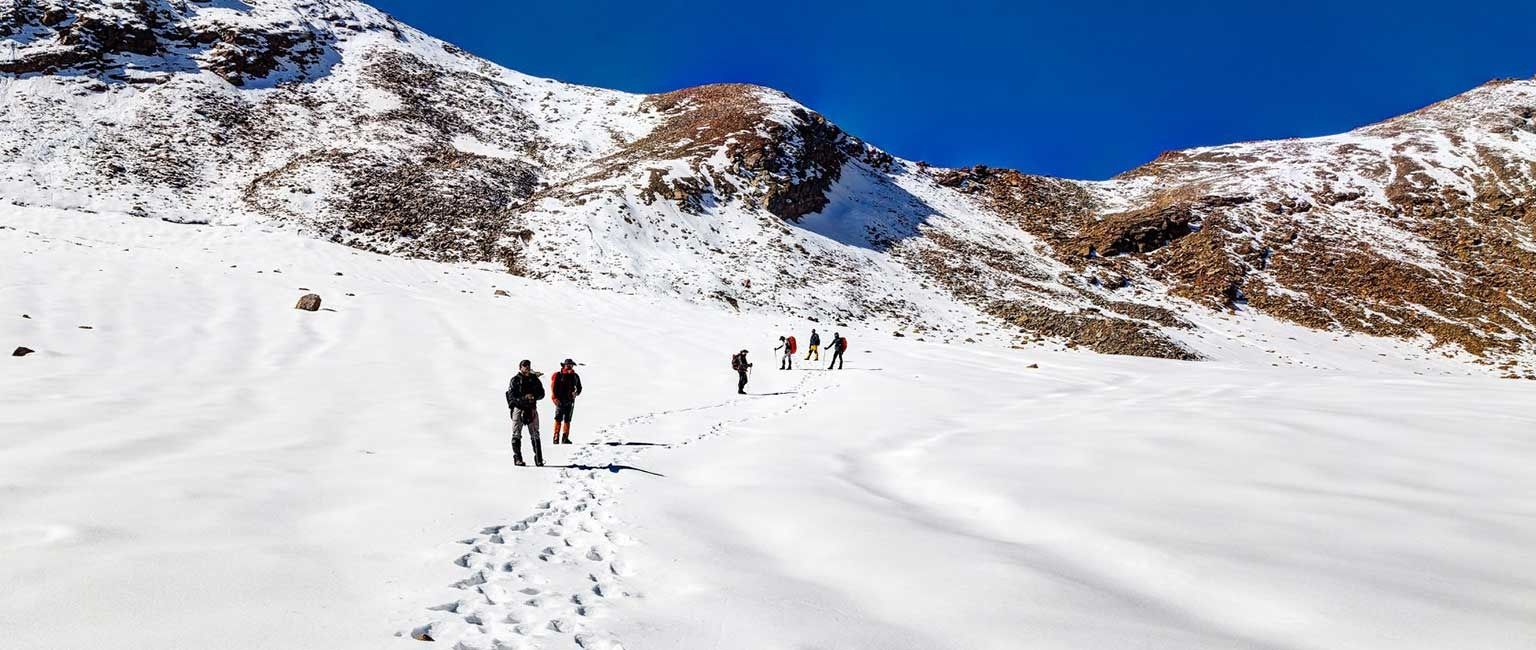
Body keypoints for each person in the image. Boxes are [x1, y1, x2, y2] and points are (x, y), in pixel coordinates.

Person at [506, 360, 546, 466]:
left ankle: (539, 459)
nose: (527, 367)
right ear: (520, 367)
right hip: (518, 408)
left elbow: (542, 393)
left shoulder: (534, 379)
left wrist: (533, 396)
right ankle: (518, 459)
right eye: (524, 366)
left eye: (528, 366)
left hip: (531, 408)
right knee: (516, 434)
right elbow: (511, 397)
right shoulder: (515, 380)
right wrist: (524, 398)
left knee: (535, 434)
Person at [550, 358, 583, 445]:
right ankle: (556, 437)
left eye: (571, 365)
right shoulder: (557, 375)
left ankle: (565, 438)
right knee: (558, 418)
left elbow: (579, 388)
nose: (569, 366)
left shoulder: (575, 376)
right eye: (568, 365)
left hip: (569, 401)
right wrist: (554, 398)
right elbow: (553, 388)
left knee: (567, 419)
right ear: (564, 365)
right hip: (559, 401)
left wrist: (576, 393)